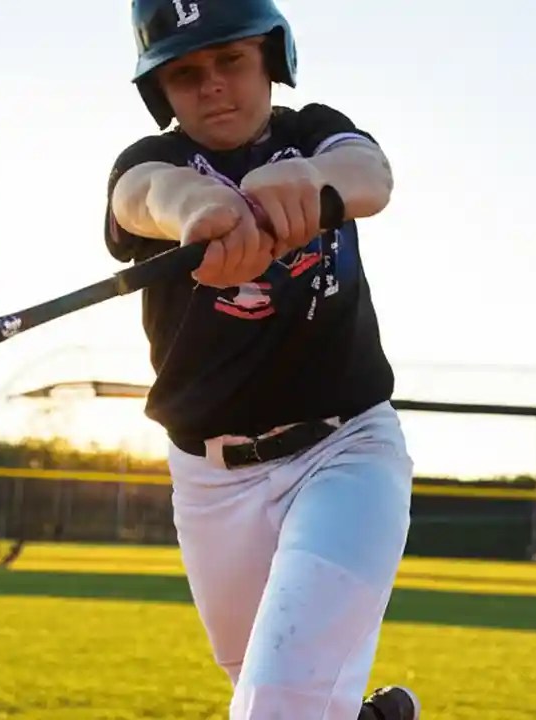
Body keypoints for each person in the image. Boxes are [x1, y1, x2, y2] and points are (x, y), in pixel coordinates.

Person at [104, 1, 419, 718]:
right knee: (269, 689)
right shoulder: (151, 165)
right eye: (186, 74)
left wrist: (310, 182)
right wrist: (196, 209)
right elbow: (139, 198)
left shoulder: (313, 133)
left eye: (231, 61)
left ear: (272, 58)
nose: (213, 84)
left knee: (280, 700)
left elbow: (368, 173)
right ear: (161, 93)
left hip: (345, 449)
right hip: (210, 483)